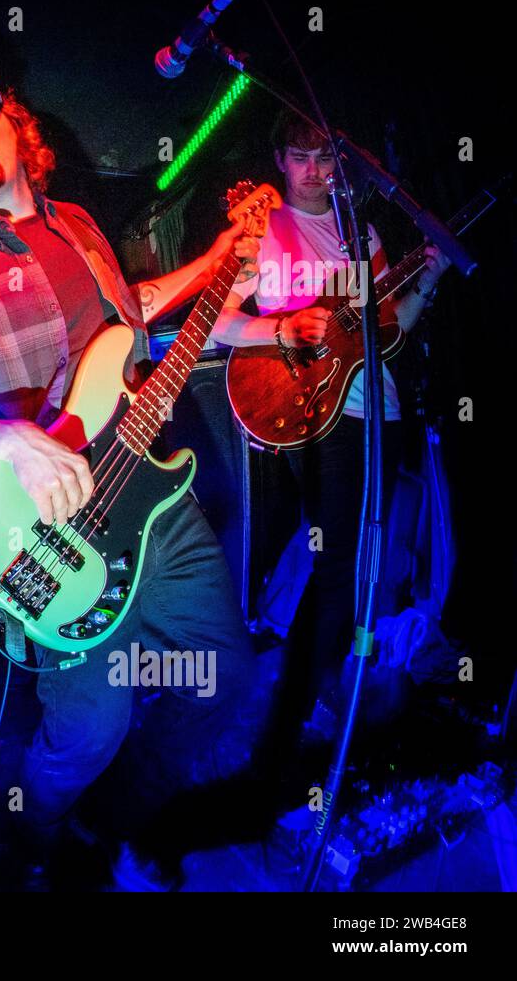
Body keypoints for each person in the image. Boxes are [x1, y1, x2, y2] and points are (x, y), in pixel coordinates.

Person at [0, 71, 260, 886]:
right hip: (55, 528)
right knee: (91, 727)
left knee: (227, 676)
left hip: (157, 506)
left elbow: (131, 317)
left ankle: (119, 819)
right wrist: (8, 438)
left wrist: (216, 264)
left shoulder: (81, 227)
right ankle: (34, 835)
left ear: (19, 129)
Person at [210, 111, 449, 753]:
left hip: (382, 408)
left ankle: (329, 686)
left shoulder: (356, 231)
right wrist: (283, 330)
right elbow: (216, 325)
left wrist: (424, 279)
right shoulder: (264, 228)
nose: (314, 171)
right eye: (300, 156)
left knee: (364, 559)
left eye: (324, 158)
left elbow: (388, 327)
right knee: (339, 557)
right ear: (280, 162)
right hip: (314, 411)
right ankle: (304, 709)